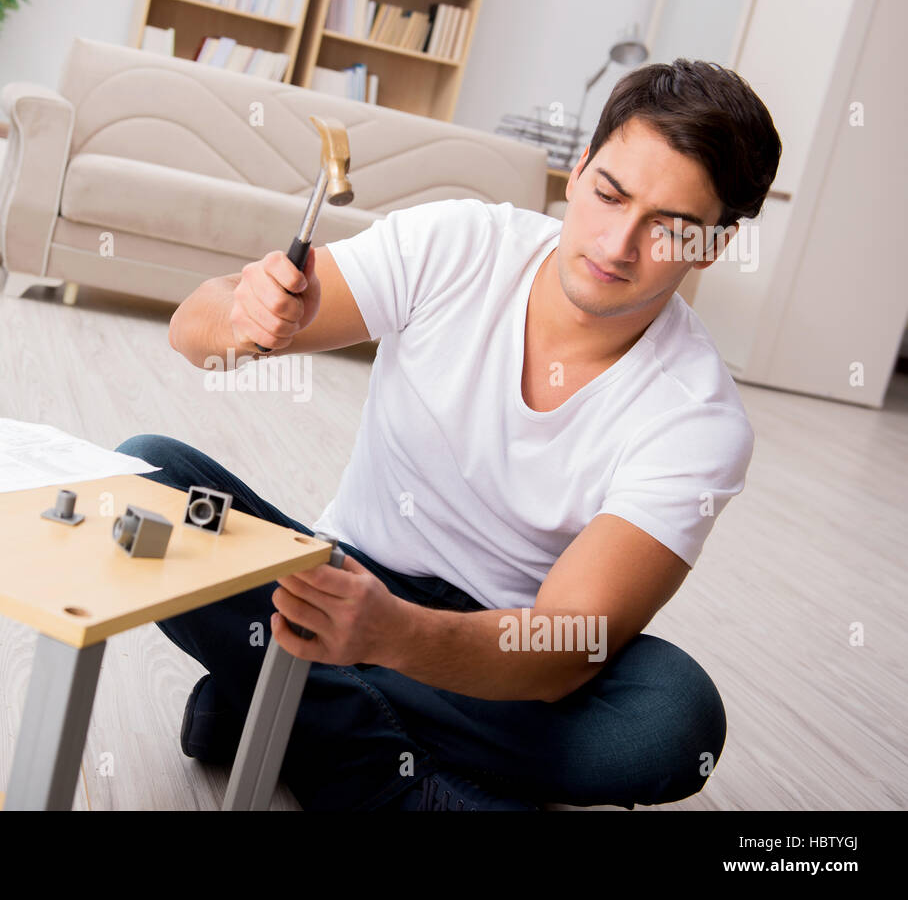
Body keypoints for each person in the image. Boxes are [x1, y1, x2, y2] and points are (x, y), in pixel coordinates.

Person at [116, 58, 782, 811]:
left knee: (672, 718)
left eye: (671, 228)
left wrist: (393, 636)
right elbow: (192, 327)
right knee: (142, 477)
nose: (618, 244)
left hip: (502, 650)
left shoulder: (700, 418)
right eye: (609, 194)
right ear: (576, 174)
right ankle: (384, 774)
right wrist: (244, 318)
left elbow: (564, 644)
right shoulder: (462, 244)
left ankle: (280, 710)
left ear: (712, 247)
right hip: (341, 578)